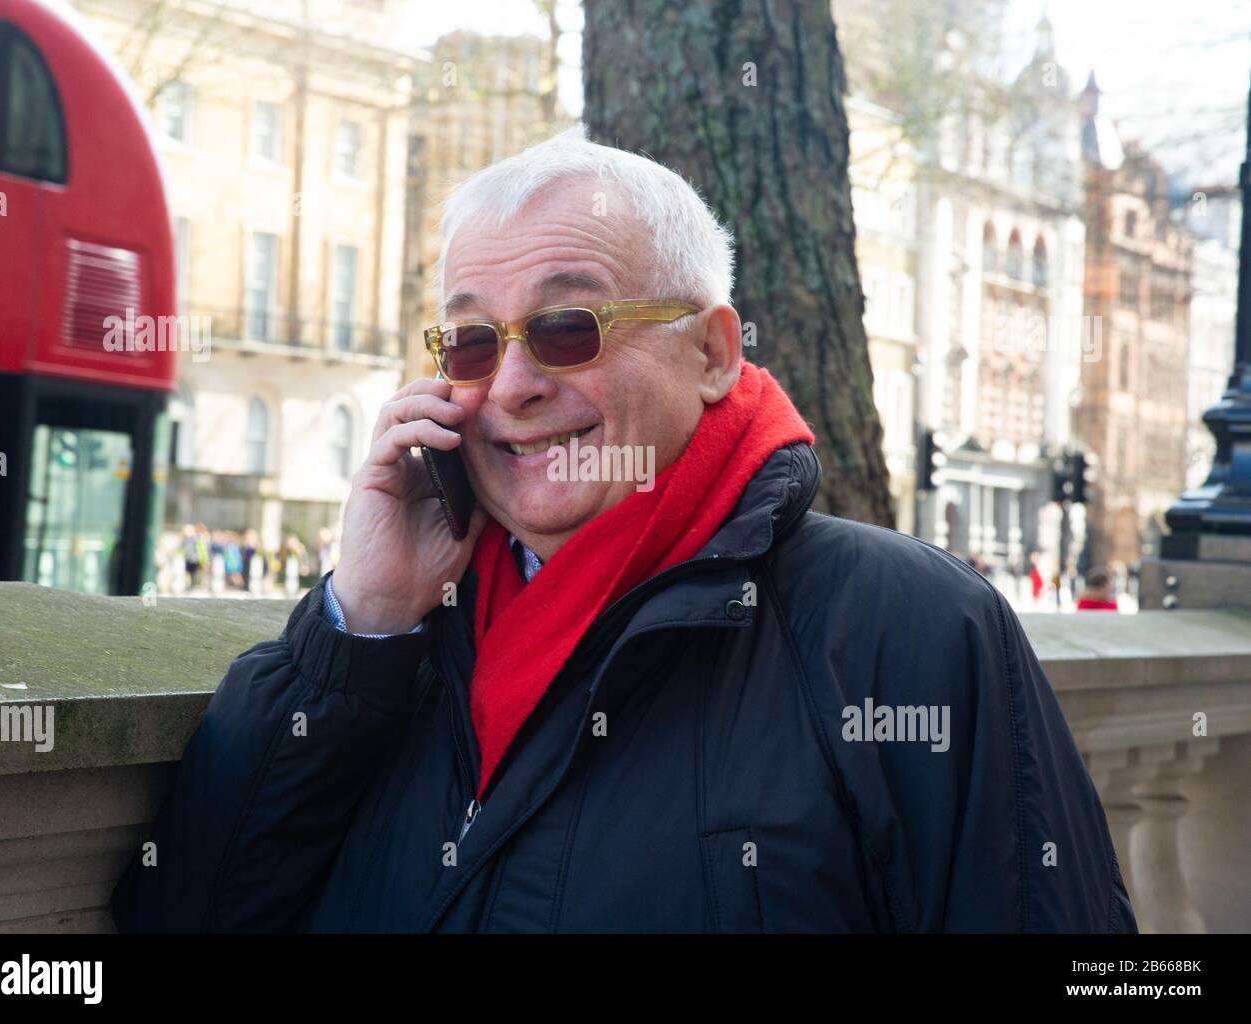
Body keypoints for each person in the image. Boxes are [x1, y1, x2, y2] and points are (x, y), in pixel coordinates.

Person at [110, 126, 1135, 934]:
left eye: (569, 327)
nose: (511, 385)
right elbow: (186, 915)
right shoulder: (402, 638)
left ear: (711, 353)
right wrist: (359, 627)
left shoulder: (907, 630)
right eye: (472, 341)